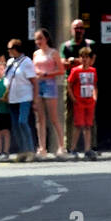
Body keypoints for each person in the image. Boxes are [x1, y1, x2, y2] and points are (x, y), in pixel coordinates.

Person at [61, 19, 97, 153]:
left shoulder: (90, 44)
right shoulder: (66, 46)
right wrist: (75, 62)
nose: (79, 31)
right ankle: (69, 146)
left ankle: (91, 146)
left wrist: (74, 61)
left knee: (90, 116)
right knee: (70, 115)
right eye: (76, 28)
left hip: (87, 81)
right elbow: (63, 63)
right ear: (71, 30)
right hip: (72, 82)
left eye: (81, 28)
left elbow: (92, 61)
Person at [33, 28, 67, 159]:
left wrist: (47, 74)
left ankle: (61, 146)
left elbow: (61, 70)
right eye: (37, 39)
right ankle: (42, 148)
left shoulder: (53, 53)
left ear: (46, 39)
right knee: (40, 119)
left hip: (49, 85)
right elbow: (33, 68)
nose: (38, 41)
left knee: (53, 117)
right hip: (38, 85)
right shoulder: (36, 54)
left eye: (40, 38)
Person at [5, 38, 38, 162]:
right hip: (12, 98)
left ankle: (30, 150)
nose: (8, 51)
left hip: (24, 97)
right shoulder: (9, 62)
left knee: (22, 122)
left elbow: (34, 82)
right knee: (15, 125)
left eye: (10, 48)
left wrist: (35, 100)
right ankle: (22, 150)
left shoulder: (27, 62)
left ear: (16, 49)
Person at [67, 47, 99, 159]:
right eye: (82, 57)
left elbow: (94, 85)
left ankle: (87, 149)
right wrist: (73, 98)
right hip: (79, 101)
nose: (84, 59)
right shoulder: (76, 70)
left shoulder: (92, 71)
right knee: (78, 125)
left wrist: (95, 97)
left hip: (89, 102)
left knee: (88, 126)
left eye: (87, 57)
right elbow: (69, 85)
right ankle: (73, 148)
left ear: (90, 59)